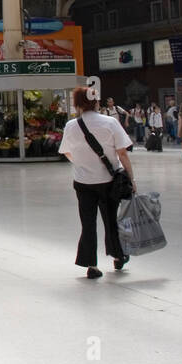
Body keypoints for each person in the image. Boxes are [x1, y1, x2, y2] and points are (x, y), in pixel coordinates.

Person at [59, 86, 134, 279]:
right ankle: (118, 255)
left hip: (83, 182)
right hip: (109, 181)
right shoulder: (111, 122)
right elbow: (123, 152)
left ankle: (91, 265)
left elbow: (66, 151)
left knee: (88, 223)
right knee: (110, 220)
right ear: (96, 102)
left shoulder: (71, 126)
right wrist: (131, 178)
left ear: (77, 104)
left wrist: (82, 163)